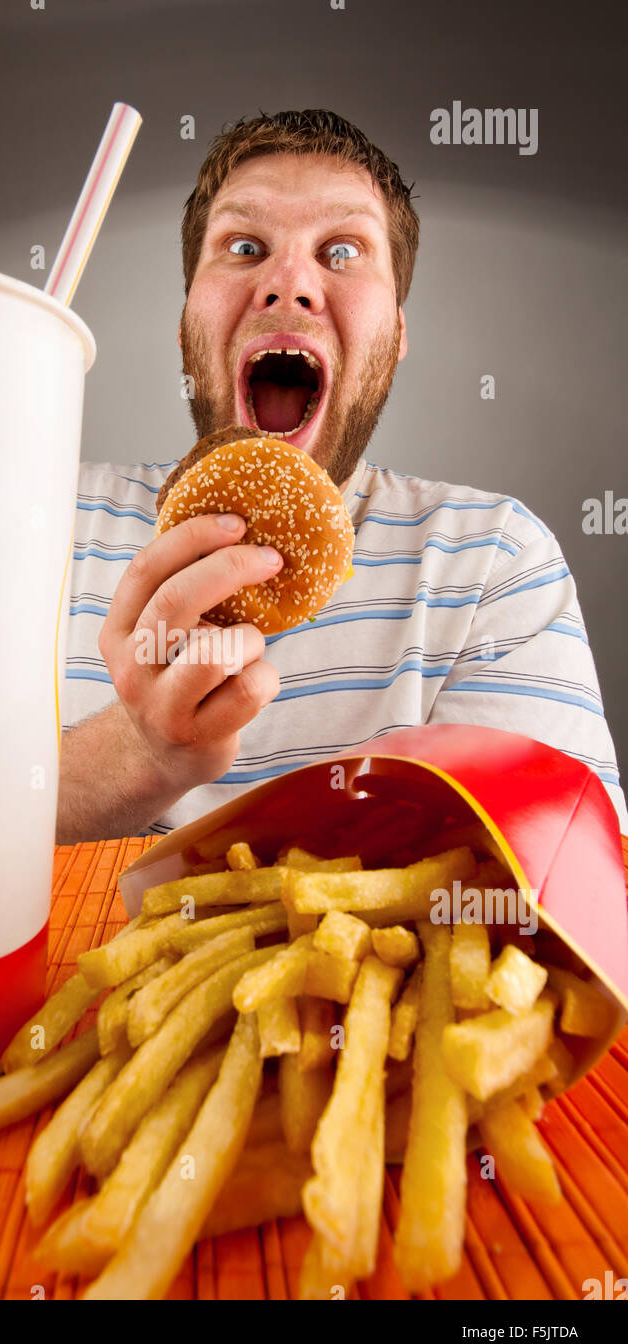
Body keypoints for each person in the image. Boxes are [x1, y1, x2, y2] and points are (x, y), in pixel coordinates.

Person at [56, 109, 627, 843]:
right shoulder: (44, 520)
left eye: (343, 251)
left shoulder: (494, 562)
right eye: (245, 245)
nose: (288, 284)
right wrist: (137, 754)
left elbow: (564, 885)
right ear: (186, 324)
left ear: (393, 340)